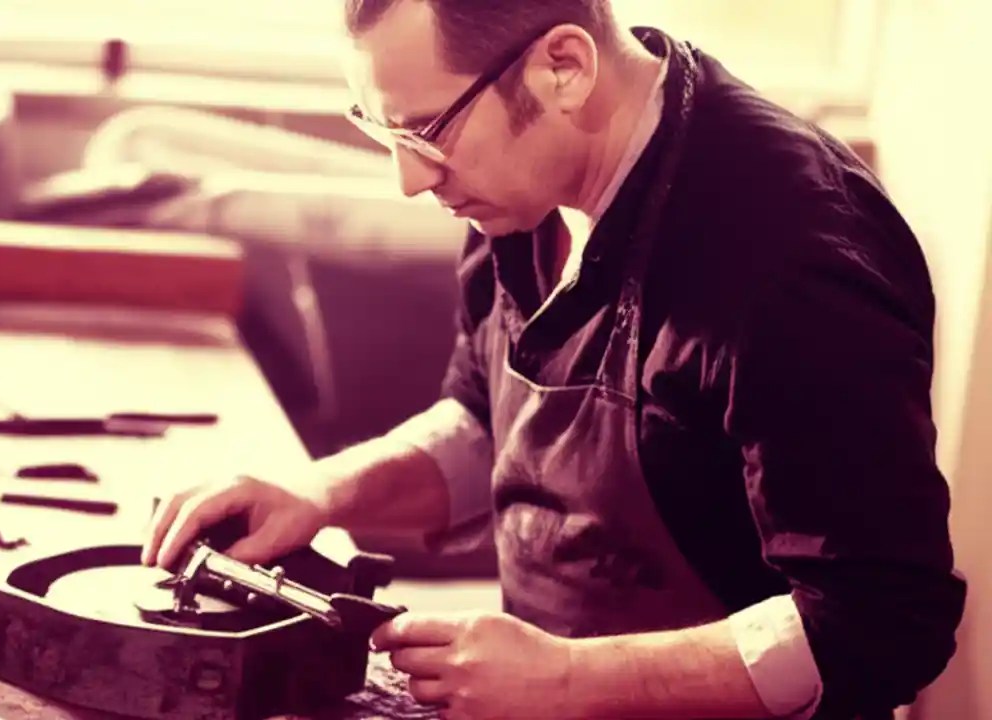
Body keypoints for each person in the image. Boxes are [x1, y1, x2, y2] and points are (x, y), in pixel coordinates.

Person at [142, 1, 967, 718]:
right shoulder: (521, 191)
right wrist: (320, 493)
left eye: (425, 131)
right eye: (381, 128)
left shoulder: (794, 259)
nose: (407, 179)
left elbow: (879, 622)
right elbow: (486, 421)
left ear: (563, 66)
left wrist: (569, 680)